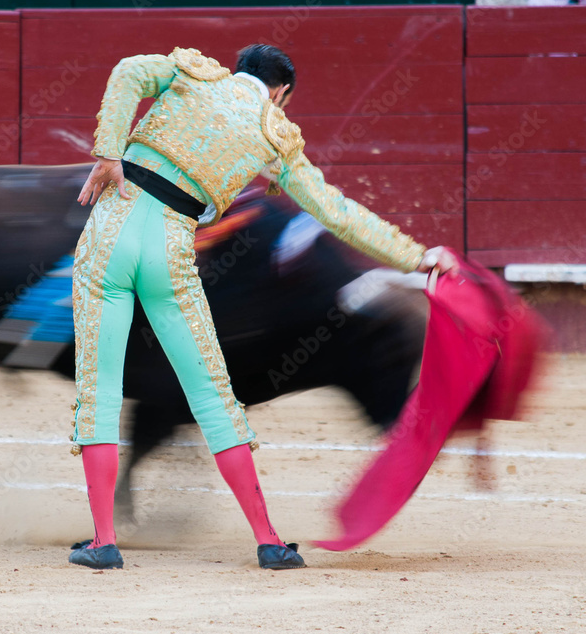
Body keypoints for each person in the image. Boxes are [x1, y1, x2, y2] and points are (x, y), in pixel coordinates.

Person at [68, 44, 458, 570]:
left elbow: (128, 70)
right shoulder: (274, 134)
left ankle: (103, 543)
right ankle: (269, 541)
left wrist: (110, 153)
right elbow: (336, 212)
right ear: (281, 93)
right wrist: (418, 256)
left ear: (238, 71)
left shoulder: (195, 75)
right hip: (171, 250)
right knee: (212, 394)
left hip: (109, 235)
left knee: (100, 390)